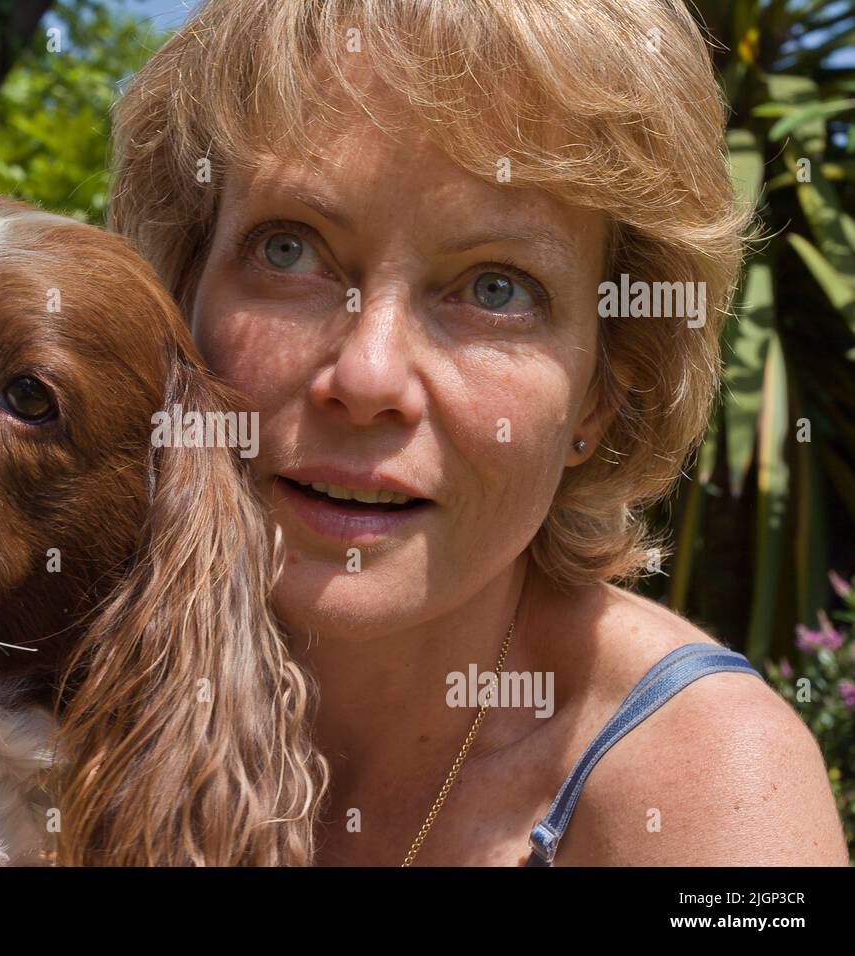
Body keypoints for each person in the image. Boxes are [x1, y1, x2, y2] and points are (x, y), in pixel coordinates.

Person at [107, 0, 849, 865]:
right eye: (289, 250)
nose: (368, 377)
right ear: (180, 284)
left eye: (497, 288)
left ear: (605, 388)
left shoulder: (710, 790)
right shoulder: (22, 654)